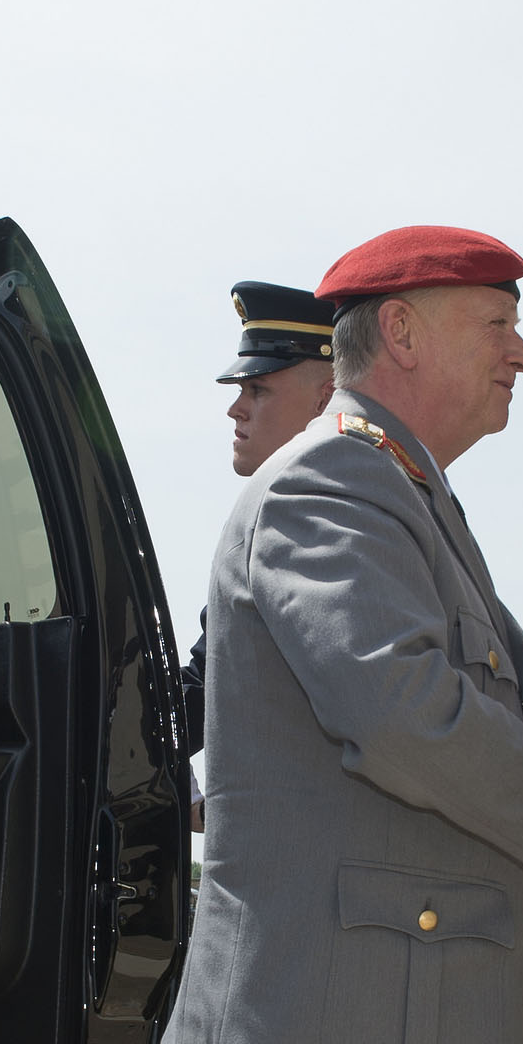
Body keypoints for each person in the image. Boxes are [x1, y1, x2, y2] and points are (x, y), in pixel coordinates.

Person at [161, 225, 523, 1044]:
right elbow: (397, 706)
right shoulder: (333, 479)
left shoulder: (402, 486)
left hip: (393, 1037)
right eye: (499, 322)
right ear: (404, 332)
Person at [180, 281, 339, 835]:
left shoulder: (314, 517)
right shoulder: (281, 513)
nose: (235, 408)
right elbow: (207, 688)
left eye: (258, 390)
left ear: (326, 397)